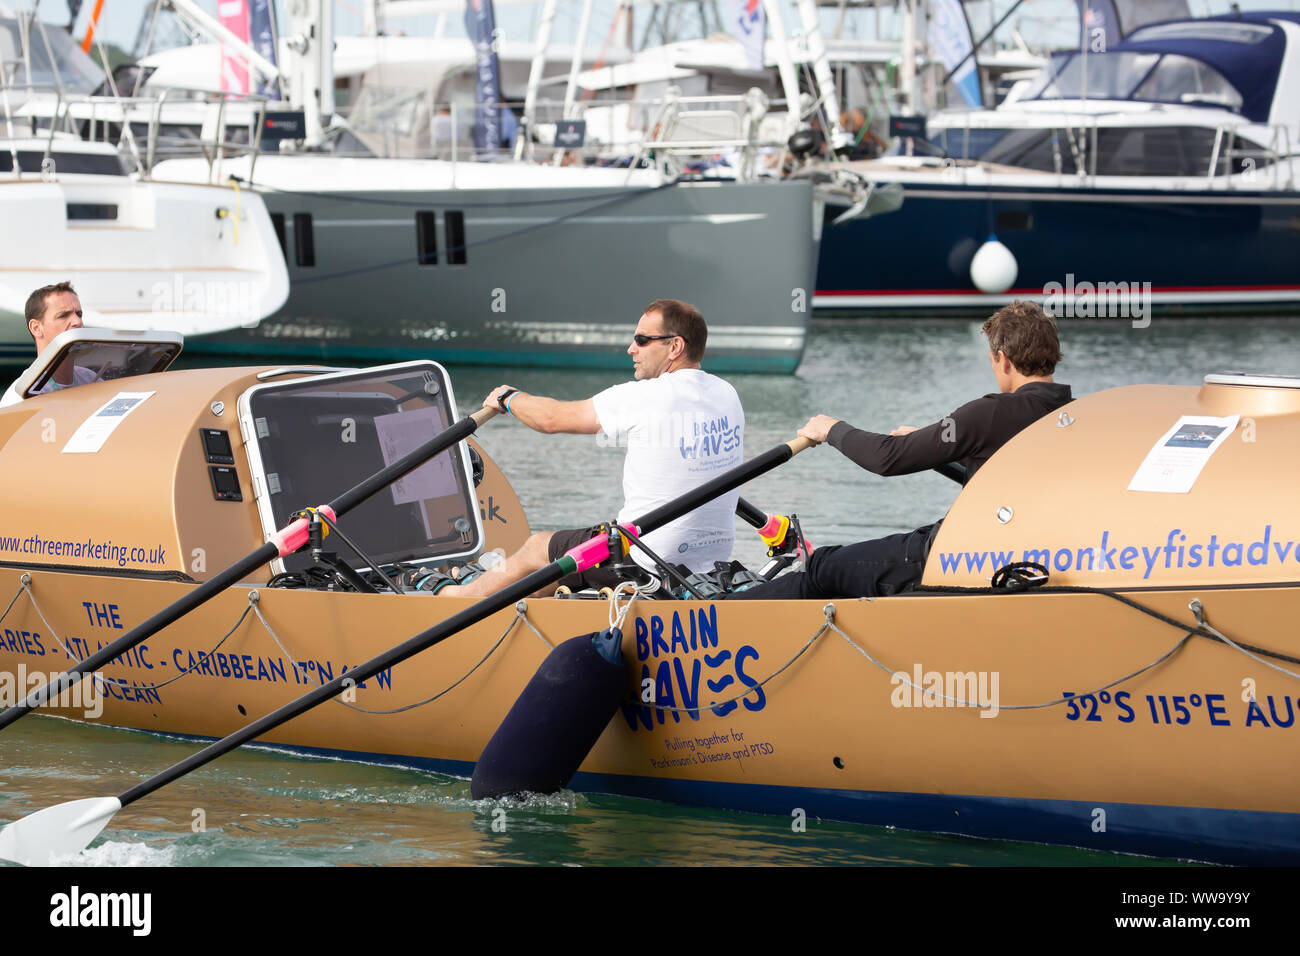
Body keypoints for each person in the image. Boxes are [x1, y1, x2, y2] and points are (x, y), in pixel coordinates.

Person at [728, 300, 1072, 601]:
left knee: (821, 567)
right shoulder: (1076, 414)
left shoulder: (993, 412)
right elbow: (1006, 458)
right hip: (1031, 555)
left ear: (1003, 360)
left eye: (992, 361)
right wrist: (930, 439)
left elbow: (888, 458)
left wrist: (832, 429)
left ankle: (724, 614)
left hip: (958, 555)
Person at [435, 298, 745, 598]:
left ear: (675, 347)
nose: (631, 348)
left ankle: (459, 596)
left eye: (642, 340)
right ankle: (505, 595)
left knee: (537, 547)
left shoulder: (647, 395)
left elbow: (551, 420)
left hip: (644, 560)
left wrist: (508, 398)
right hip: (709, 561)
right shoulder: (726, 394)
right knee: (554, 569)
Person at [25, 281, 96, 393]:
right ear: (36, 328)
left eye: (79, 314)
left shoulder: (91, 379)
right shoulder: (24, 394)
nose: (78, 322)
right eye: (63, 315)